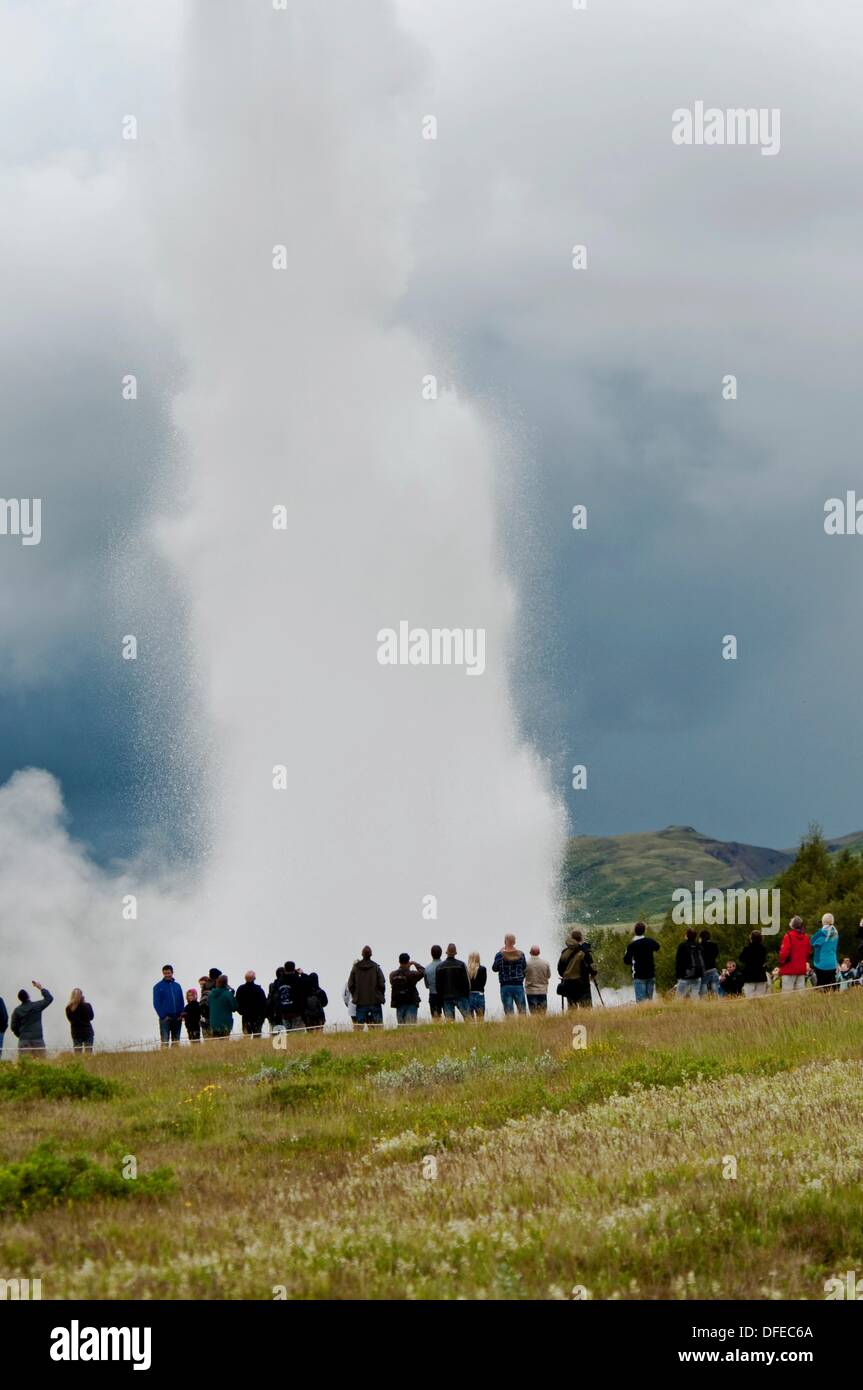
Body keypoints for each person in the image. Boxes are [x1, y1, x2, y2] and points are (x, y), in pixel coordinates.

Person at [348, 946, 386, 1027]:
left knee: (359, 1028)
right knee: (378, 1028)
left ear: (362, 954)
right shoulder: (376, 967)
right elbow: (382, 983)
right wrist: (379, 995)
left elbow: (350, 984)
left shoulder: (355, 968)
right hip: (375, 1002)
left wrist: (356, 995)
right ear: (371, 954)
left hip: (361, 1003)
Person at [10, 982, 53, 1052]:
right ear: (28, 996)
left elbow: (13, 1027)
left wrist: (21, 1035)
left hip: (24, 1040)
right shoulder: (36, 1006)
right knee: (40, 1062)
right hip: (37, 1039)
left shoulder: (17, 1010)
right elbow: (49, 998)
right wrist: (40, 988)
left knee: (24, 1062)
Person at [557, 929, 595, 1009]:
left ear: (571, 938)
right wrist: (593, 974)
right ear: (581, 938)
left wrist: (565, 975)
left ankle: (572, 1021)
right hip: (583, 983)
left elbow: (560, 969)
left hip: (569, 983)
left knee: (572, 1007)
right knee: (586, 1008)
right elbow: (591, 967)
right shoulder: (584, 951)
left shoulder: (565, 952)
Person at [624, 922, 661, 1003]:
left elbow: (626, 961)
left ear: (635, 931)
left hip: (639, 975)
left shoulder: (632, 945)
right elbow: (657, 947)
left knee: (641, 1002)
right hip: (650, 974)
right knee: (649, 1000)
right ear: (644, 931)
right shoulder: (650, 941)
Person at [492, 934, 528, 1015]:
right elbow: (524, 967)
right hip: (518, 985)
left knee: (508, 1011)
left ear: (505, 941)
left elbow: (494, 969)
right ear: (514, 942)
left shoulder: (499, 955)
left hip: (505, 986)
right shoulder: (521, 954)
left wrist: (499, 953)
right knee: (522, 1010)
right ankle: (524, 1026)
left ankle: (511, 1026)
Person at [436, 944, 472, 1021]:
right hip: (461, 996)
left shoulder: (439, 967)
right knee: (468, 1019)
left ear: (446, 952)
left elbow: (438, 986)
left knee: (450, 1022)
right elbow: (467, 983)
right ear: (455, 953)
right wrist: (466, 995)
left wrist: (441, 998)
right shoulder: (461, 965)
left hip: (446, 997)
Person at [153, 965, 185, 1047]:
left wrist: (181, 1014)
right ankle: (164, 1059)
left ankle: (176, 1058)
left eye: (169, 973)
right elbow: (156, 1003)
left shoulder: (177, 986)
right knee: (165, 1041)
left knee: (176, 1041)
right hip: (165, 1019)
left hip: (177, 1018)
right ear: (163, 973)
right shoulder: (157, 987)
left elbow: (181, 1001)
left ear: (172, 973)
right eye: (165, 973)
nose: (167, 975)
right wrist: (163, 1016)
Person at [389, 954, 425, 1025]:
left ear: (399, 961)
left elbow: (391, 983)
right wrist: (415, 963)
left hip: (399, 1004)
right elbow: (423, 971)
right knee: (411, 1026)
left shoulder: (393, 975)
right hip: (411, 1003)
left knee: (401, 1027)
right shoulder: (411, 974)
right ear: (408, 962)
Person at [778, 915, 811, 991]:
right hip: (801, 969)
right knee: (800, 994)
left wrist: (781, 962)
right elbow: (808, 952)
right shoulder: (806, 937)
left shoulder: (788, 936)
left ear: (792, 925)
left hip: (789, 969)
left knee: (787, 995)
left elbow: (784, 952)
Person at [810, 913, 840, 991]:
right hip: (832, 963)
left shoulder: (821, 933)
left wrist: (820, 930)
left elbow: (812, 941)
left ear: (823, 922)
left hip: (821, 963)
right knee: (831, 986)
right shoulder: (836, 933)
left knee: (820, 986)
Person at [235, 970, 268, 1036]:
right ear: (254, 978)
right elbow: (264, 1003)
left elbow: (237, 1002)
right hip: (257, 1016)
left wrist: (241, 1011)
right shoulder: (258, 989)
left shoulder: (241, 989)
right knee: (257, 1034)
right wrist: (263, 1015)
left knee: (246, 1034)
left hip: (245, 1016)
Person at [674, 929, 704, 999]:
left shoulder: (682, 945)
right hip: (698, 974)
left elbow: (678, 960)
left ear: (687, 936)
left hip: (685, 975)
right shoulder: (699, 946)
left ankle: (677, 1009)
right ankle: (696, 1008)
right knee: (695, 995)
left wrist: (678, 975)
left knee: (679, 997)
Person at [739, 930, 769, 997]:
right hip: (761, 974)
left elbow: (741, 959)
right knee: (761, 998)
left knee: (750, 998)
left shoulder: (747, 949)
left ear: (751, 938)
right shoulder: (763, 949)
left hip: (749, 975)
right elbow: (764, 960)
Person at [281, 962, 309, 1030]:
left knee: (287, 1036)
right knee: (297, 1035)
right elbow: (308, 982)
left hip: (284, 1012)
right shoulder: (298, 980)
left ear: (285, 969)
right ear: (294, 969)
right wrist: (302, 974)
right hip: (297, 1012)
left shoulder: (280, 981)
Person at [524, 945, 551, 1014]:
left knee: (533, 1012)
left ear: (530, 952)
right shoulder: (545, 963)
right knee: (542, 1011)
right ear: (539, 953)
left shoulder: (526, 964)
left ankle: (535, 1023)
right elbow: (548, 976)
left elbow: (523, 975)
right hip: (542, 990)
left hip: (531, 990)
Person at [424, 945, 444, 1019]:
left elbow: (426, 986)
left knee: (435, 1018)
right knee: (449, 1017)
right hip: (444, 994)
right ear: (441, 953)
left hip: (433, 995)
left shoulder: (427, 968)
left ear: (431, 954)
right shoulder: (444, 965)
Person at [698, 930, 721, 996]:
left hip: (704, 970)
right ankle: (716, 1003)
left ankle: (704, 1004)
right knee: (715, 989)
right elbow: (716, 954)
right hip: (713, 969)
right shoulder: (714, 945)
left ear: (701, 937)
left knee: (703, 988)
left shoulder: (700, 946)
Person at [467, 952, 487, 1019]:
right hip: (479, 994)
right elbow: (483, 983)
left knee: (470, 1020)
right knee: (480, 1019)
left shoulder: (466, 970)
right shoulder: (483, 969)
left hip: (469, 995)